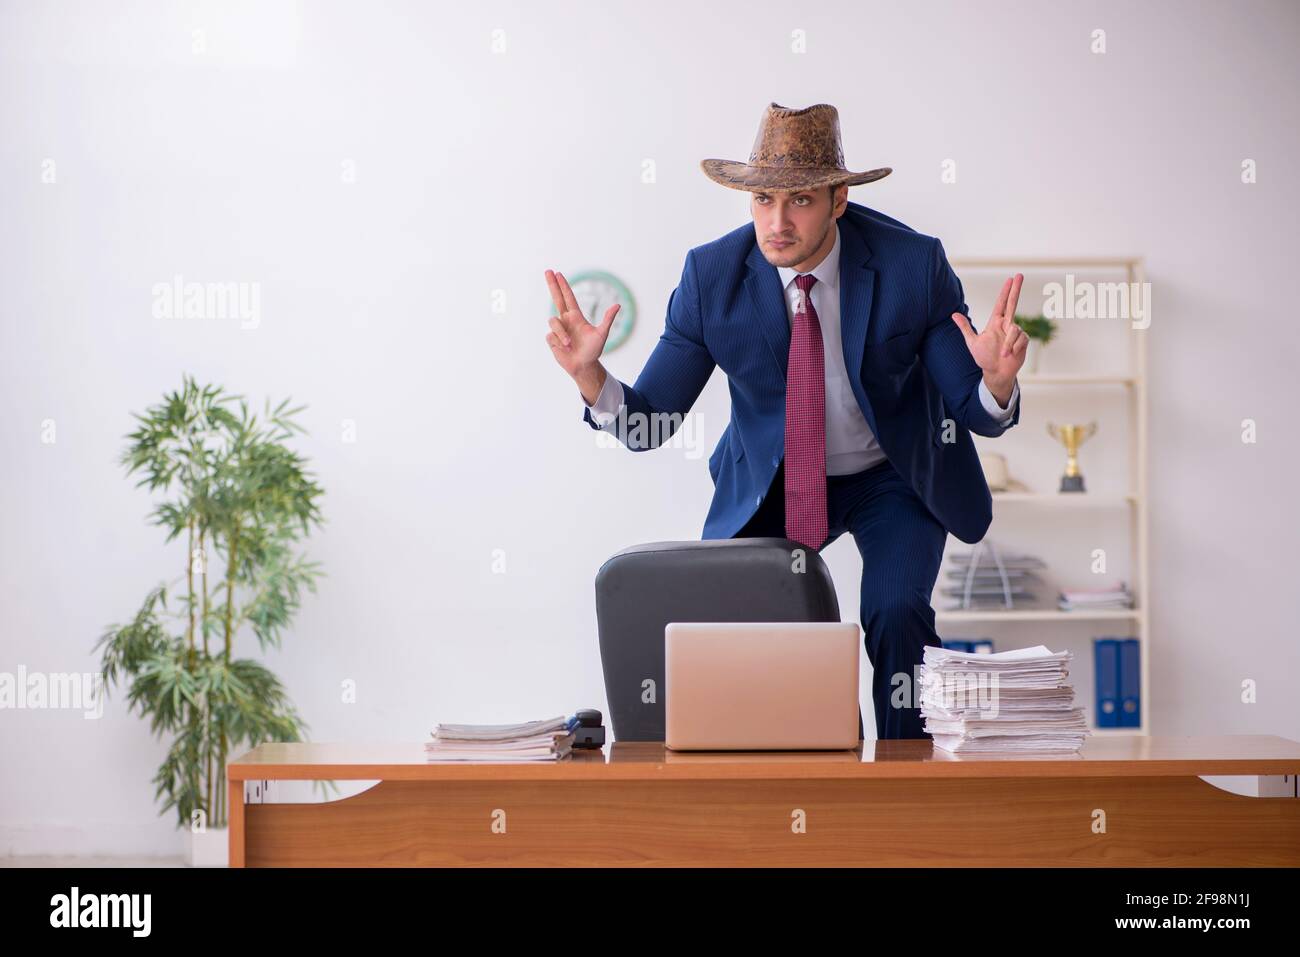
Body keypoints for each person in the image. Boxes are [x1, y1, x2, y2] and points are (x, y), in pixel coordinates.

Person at [544, 102, 1027, 740]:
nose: (777, 222)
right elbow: (652, 425)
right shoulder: (712, 277)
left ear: (839, 198)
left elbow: (973, 410)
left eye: (799, 201)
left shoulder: (913, 266)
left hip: (893, 476)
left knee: (895, 609)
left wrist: (995, 382)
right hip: (778, 477)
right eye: (763, 199)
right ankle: (805, 782)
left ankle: (905, 784)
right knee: (750, 627)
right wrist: (591, 379)